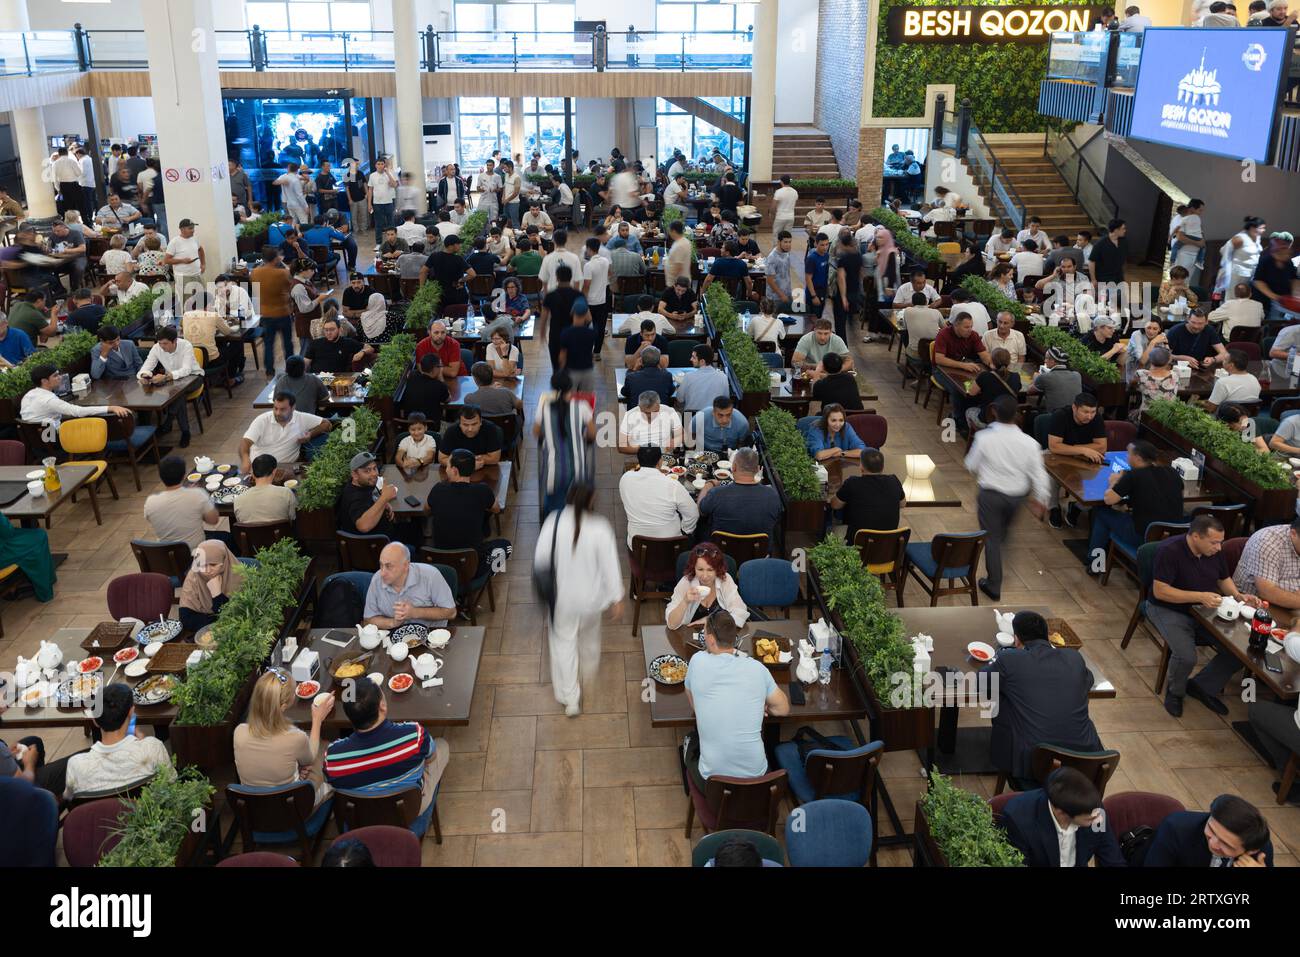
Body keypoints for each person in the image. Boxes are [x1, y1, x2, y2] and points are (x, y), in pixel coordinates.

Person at [1150, 515, 1262, 717]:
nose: (1219, 548)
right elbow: (1161, 591)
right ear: (1195, 537)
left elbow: (1223, 579)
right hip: (1170, 609)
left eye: (1220, 541)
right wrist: (1199, 596)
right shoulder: (1169, 550)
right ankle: (1175, 692)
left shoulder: (1214, 552)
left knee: (1241, 651)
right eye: (1214, 542)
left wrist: (1238, 596)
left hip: (1205, 610)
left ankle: (1202, 686)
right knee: (1185, 656)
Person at [979, 610, 1103, 784]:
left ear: (1017, 639)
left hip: (1033, 764)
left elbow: (981, 681)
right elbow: (1087, 680)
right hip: (1085, 763)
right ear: (1047, 636)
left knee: (1002, 698)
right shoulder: (1074, 658)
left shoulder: (1010, 660)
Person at [323, 664, 448, 833]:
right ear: (382, 706)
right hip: (409, 810)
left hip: (360, 818)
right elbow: (431, 758)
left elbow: (330, 782)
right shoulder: (414, 734)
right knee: (441, 746)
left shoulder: (332, 758)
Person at [533, 483, 623, 716]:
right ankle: (588, 676)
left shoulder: (553, 522)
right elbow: (610, 567)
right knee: (590, 643)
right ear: (591, 500)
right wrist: (617, 597)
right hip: (591, 603)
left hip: (562, 601)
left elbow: (540, 561)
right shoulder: (600, 528)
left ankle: (570, 698)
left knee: (563, 646)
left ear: (568, 498)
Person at [682, 609, 789, 792]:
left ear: (711, 640)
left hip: (713, 786)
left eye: (704, 632)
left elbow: (694, 704)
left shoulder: (697, 661)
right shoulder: (757, 669)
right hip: (758, 784)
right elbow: (783, 709)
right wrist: (761, 707)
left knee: (689, 741)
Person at [964, 395, 1051, 601]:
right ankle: (999, 552)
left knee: (991, 539)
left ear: (995, 412)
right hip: (1017, 497)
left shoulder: (985, 438)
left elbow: (971, 465)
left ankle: (994, 585)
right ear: (1017, 415)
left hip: (991, 495)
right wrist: (1041, 498)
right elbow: (1039, 474)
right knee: (1002, 533)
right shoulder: (1030, 443)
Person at [234, 672, 333, 808]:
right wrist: (317, 720)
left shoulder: (239, 732)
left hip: (255, 810)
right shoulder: (295, 737)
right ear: (283, 706)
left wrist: (295, 771)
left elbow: (265, 761)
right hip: (294, 810)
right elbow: (309, 758)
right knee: (325, 749)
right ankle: (329, 795)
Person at [62, 684, 170, 802]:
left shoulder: (76, 765)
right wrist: (143, 743)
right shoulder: (153, 748)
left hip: (99, 819)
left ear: (94, 721)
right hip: (146, 817)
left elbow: (69, 798)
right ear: (131, 712)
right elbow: (171, 782)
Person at [1000, 767, 1124, 867]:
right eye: (1089, 819)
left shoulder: (1096, 811)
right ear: (1061, 813)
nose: (1098, 819)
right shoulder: (1017, 821)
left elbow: (1112, 858)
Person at [1088, 439, 1184, 561]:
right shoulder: (1172, 472)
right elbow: (1179, 494)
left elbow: (1108, 500)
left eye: (1129, 454)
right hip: (1173, 536)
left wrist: (1114, 482)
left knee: (1101, 512)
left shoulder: (1133, 475)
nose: (1127, 457)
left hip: (1143, 536)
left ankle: (1095, 563)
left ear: (1137, 458)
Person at [1144, 794, 1273, 867]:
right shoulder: (1176, 828)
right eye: (1211, 829)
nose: (1213, 843)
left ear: (1251, 850)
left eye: (1226, 844)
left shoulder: (1261, 849)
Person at [534, 370, 597, 518]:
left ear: (553, 388)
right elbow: (592, 434)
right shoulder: (581, 407)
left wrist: (550, 436)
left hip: (553, 471)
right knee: (577, 506)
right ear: (571, 388)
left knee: (555, 510)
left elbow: (537, 432)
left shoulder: (545, 407)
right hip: (578, 470)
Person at [1045, 393, 1107, 529]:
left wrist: (1073, 449)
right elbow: (1054, 446)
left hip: (1082, 457)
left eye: (1093, 412)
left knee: (1100, 478)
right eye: (1085, 412)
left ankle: (1078, 507)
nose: (1089, 416)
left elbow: (1102, 446)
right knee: (1052, 476)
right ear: (1074, 408)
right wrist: (1083, 450)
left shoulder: (1096, 418)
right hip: (1058, 455)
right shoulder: (1060, 416)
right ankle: (1054, 508)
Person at [619, 444, 699, 546]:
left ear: (638, 461)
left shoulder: (625, 479)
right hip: (671, 545)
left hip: (637, 546)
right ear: (660, 461)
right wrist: (685, 531)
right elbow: (693, 514)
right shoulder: (673, 485)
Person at [696, 448, 780, 539]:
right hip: (759, 551)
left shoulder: (716, 493)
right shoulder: (772, 495)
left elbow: (701, 510)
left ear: (734, 467)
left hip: (722, 551)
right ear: (757, 469)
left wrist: (709, 484)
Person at [828, 447, 906, 545]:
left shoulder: (852, 483)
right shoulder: (894, 480)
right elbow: (903, 504)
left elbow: (834, 505)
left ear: (861, 467)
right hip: (887, 548)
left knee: (830, 529)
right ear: (883, 466)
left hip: (857, 548)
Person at [144, 456, 222, 550]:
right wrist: (203, 497)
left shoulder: (150, 502)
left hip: (166, 555)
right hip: (197, 554)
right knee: (228, 537)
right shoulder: (197, 494)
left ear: (161, 476)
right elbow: (213, 520)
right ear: (184, 475)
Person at [240, 392, 331, 472]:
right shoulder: (262, 420)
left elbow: (327, 424)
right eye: (275, 408)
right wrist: (245, 459)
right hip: (260, 469)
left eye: (283, 409)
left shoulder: (301, 418)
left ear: (293, 408)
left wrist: (311, 434)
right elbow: (245, 442)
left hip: (287, 470)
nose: (278, 413)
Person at [18, 363, 128, 426]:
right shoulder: (49, 400)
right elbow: (77, 412)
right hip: (51, 440)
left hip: (39, 440)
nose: (60, 377)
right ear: (44, 381)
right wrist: (110, 407)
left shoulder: (29, 394)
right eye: (55, 376)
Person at [933, 314, 992, 427]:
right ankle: (959, 419)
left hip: (962, 368)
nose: (970, 330)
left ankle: (972, 416)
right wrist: (963, 366)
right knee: (958, 390)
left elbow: (983, 354)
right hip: (940, 370)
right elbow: (939, 359)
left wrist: (992, 363)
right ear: (956, 325)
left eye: (971, 326)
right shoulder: (943, 334)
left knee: (978, 386)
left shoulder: (973, 335)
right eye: (966, 327)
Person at [1233, 518, 1300, 610]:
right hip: (1255, 604)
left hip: (1291, 603)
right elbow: (1267, 593)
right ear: (1293, 534)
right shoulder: (1268, 542)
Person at [178, 539, 243, 632]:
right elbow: (186, 618)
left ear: (224, 562)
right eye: (203, 565)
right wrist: (217, 621)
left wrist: (217, 594)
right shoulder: (194, 574)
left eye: (213, 564)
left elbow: (237, 618)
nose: (208, 570)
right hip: (209, 634)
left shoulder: (238, 575)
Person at [252, 246, 294, 377]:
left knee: (268, 344)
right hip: (283, 312)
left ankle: (269, 370)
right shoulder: (282, 273)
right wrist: (281, 263)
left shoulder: (255, 272)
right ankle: (291, 368)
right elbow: (290, 284)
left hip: (266, 313)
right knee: (287, 343)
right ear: (276, 258)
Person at [233, 453, 297, 525]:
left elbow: (240, 521)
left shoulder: (238, 500)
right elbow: (293, 517)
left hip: (252, 536)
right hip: (281, 536)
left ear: (252, 474)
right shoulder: (286, 493)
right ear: (274, 472)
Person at [540, 264, 582, 371]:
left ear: (557, 278)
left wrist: (542, 334)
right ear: (571, 277)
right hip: (574, 333)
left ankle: (559, 384)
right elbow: (584, 317)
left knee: (556, 364)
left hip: (555, 333)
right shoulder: (578, 295)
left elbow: (544, 316)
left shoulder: (550, 295)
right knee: (572, 365)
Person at [438, 406, 503, 473]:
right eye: (465, 425)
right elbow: (442, 459)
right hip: (458, 473)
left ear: (480, 422)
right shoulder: (451, 431)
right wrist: (468, 464)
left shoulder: (490, 428)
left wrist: (459, 461)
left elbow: (494, 458)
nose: (470, 429)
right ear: (459, 423)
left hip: (485, 471)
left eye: (474, 424)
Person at [618, 391, 682, 454]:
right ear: (639, 407)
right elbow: (621, 447)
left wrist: (675, 441)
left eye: (655, 412)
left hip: (664, 455)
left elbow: (681, 434)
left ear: (659, 406)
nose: (651, 416)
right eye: (646, 413)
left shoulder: (669, 411)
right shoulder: (629, 415)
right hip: (638, 456)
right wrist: (644, 450)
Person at [557, 299, 599, 394]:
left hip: (571, 372)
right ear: (585, 315)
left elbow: (562, 356)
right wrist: (589, 318)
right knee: (586, 400)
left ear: (572, 313)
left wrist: (561, 371)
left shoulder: (566, 333)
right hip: (588, 371)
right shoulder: (591, 333)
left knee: (570, 400)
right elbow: (592, 323)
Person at [304, 315, 372, 374]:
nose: (328, 333)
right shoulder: (315, 343)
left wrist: (362, 352)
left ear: (340, 330)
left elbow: (370, 348)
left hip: (338, 380)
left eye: (332, 329)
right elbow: (305, 363)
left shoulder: (347, 342)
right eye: (326, 330)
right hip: (317, 379)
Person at [676, 344, 730, 414]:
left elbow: (679, 399)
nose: (691, 359)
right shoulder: (723, 377)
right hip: (714, 420)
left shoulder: (688, 377)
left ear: (702, 361)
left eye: (693, 357)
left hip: (690, 419)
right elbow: (726, 400)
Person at [399, 353, 451, 423]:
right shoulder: (439, 385)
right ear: (435, 368)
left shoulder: (411, 376)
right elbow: (448, 399)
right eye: (440, 366)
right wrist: (441, 377)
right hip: (431, 427)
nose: (441, 368)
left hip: (409, 424)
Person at [1032, 346, 1084, 413]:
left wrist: (1035, 377)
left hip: (1055, 418)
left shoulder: (1044, 377)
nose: (1045, 361)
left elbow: (1029, 391)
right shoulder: (1077, 375)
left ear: (1053, 361)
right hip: (1074, 416)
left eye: (1046, 358)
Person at [366, 158, 398, 238]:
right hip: (377, 203)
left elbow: (394, 185)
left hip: (388, 202)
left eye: (382, 164)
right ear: (375, 165)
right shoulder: (372, 175)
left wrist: (388, 174)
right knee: (378, 224)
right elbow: (370, 190)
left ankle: (392, 239)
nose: (380, 166)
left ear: (384, 165)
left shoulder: (389, 173)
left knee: (391, 223)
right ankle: (378, 242)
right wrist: (369, 204)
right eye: (378, 164)